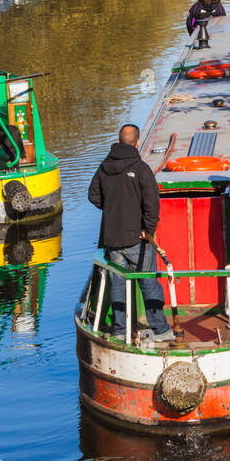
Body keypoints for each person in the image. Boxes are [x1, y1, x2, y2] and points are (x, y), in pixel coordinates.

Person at [88, 123, 174, 342]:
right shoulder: (142, 168)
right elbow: (152, 203)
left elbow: (93, 195)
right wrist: (149, 229)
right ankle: (161, 331)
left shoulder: (104, 167)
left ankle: (120, 330)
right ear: (137, 143)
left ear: (118, 142)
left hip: (112, 239)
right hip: (138, 238)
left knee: (118, 285)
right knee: (148, 282)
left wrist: (110, 209)